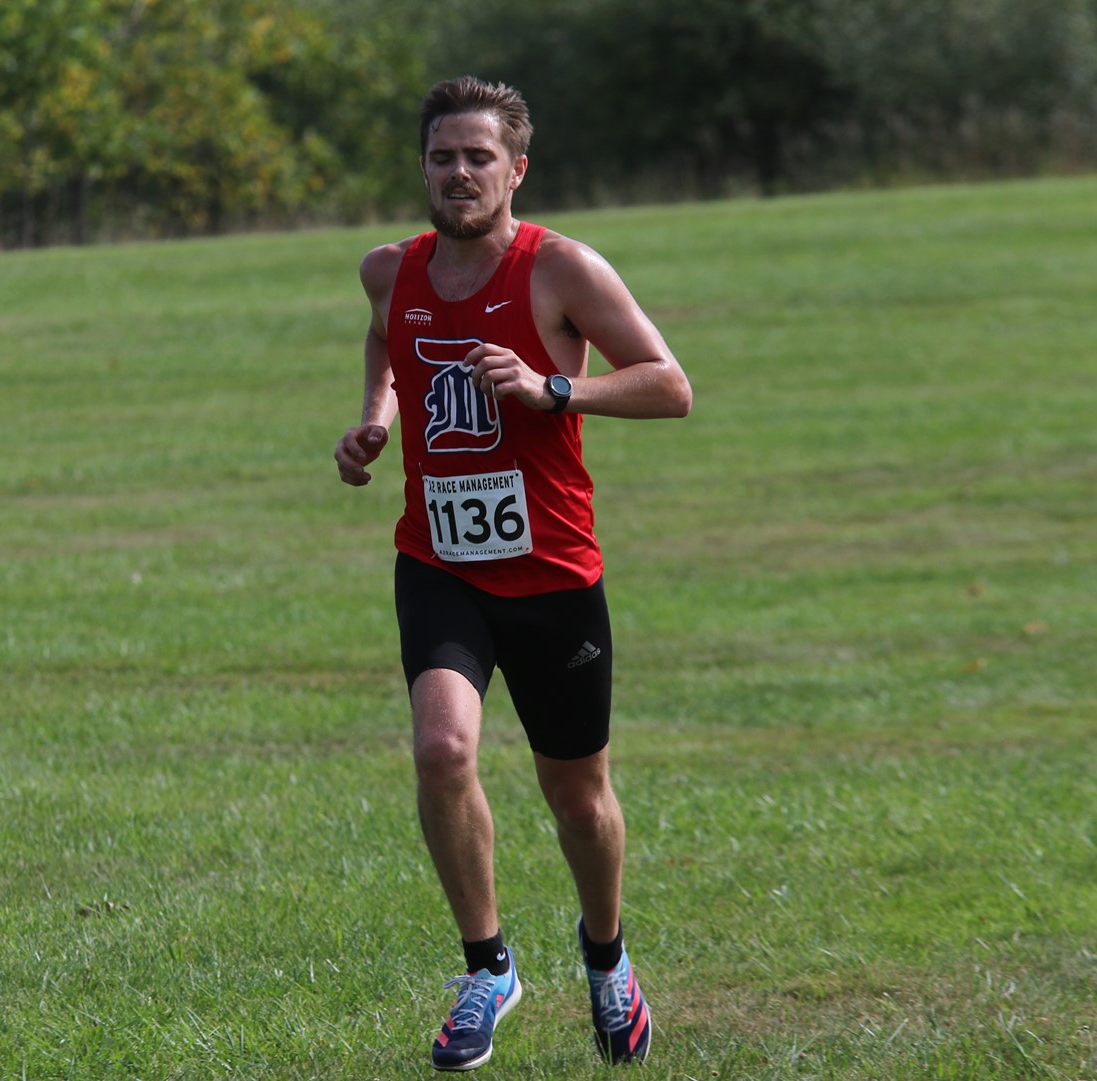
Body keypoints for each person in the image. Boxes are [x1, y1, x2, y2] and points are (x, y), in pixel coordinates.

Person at [333, 75, 693, 1071]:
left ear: (515, 169)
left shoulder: (561, 270)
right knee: (443, 750)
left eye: (478, 156)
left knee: (578, 797)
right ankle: (488, 966)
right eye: (442, 155)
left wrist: (554, 388)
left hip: (553, 573)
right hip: (440, 566)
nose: (458, 172)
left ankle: (605, 954)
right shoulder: (386, 269)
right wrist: (377, 415)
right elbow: (385, 336)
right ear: (423, 165)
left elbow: (671, 385)